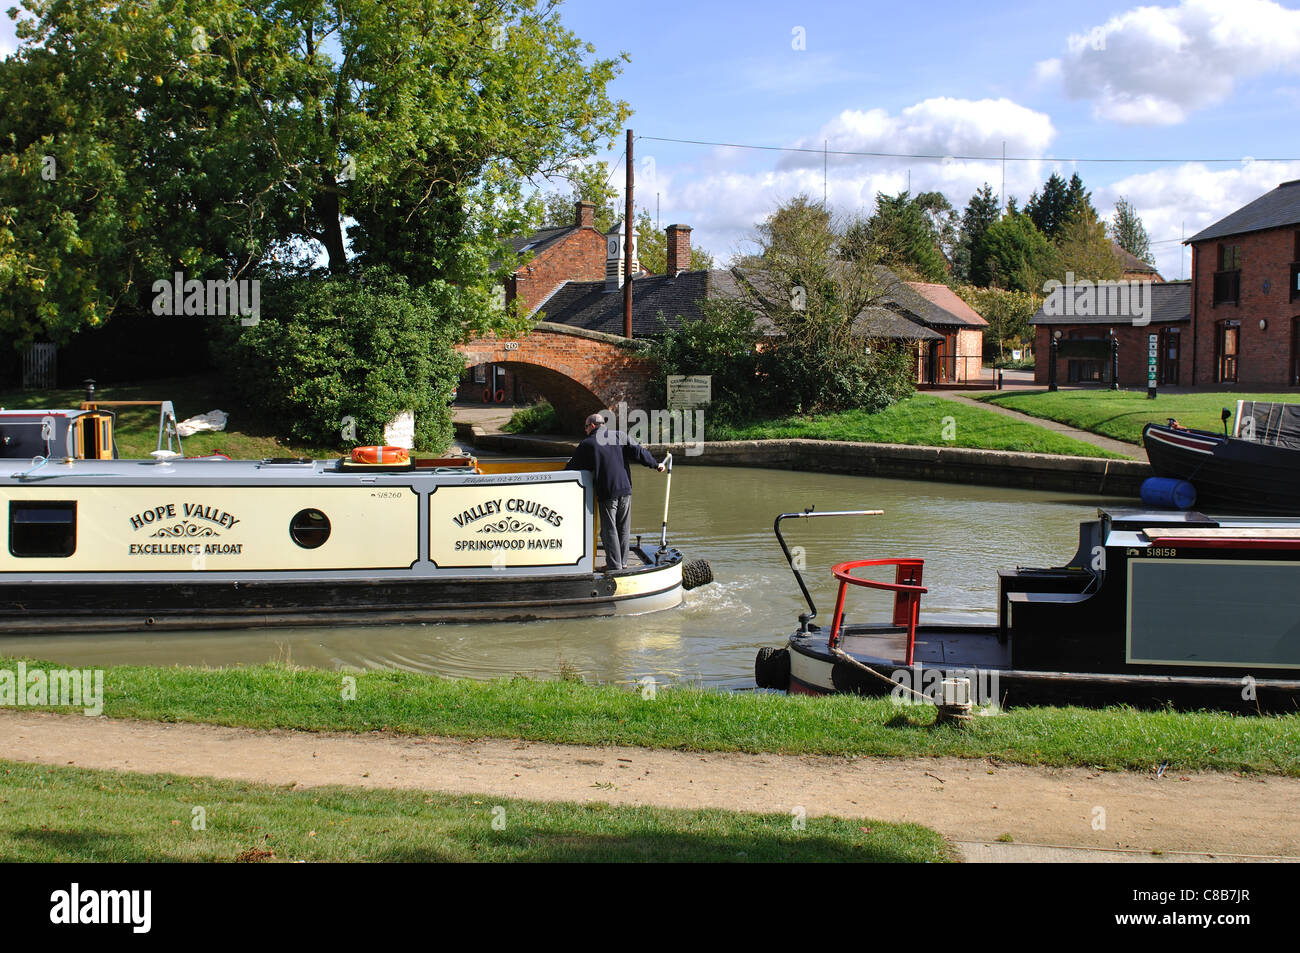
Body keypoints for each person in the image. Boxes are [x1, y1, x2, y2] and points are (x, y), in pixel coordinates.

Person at [565, 412, 666, 571]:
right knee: (623, 528)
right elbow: (639, 452)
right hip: (625, 488)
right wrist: (655, 464)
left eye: (586, 427)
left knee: (608, 530)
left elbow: (572, 468)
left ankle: (614, 565)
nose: (585, 430)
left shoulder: (587, 443)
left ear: (592, 426)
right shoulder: (619, 435)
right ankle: (623, 562)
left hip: (607, 491)